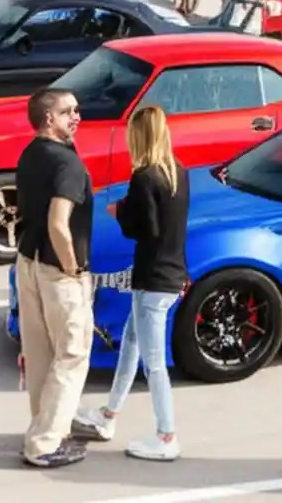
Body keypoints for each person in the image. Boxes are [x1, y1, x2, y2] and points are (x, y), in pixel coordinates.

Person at [73, 106, 190, 462]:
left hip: (153, 279)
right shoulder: (178, 173)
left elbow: (145, 230)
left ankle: (167, 435)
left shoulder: (144, 177)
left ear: (139, 137)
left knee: (153, 362)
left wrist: (120, 212)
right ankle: (108, 416)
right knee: (131, 345)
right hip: (169, 275)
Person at [14, 88, 96, 469]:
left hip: (27, 263)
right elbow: (58, 224)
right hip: (56, 271)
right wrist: (73, 269)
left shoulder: (30, 154)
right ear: (49, 118)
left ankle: (43, 428)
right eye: (68, 112)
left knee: (41, 354)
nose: (77, 117)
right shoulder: (68, 164)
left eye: (77, 110)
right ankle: (46, 443)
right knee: (72, 354)